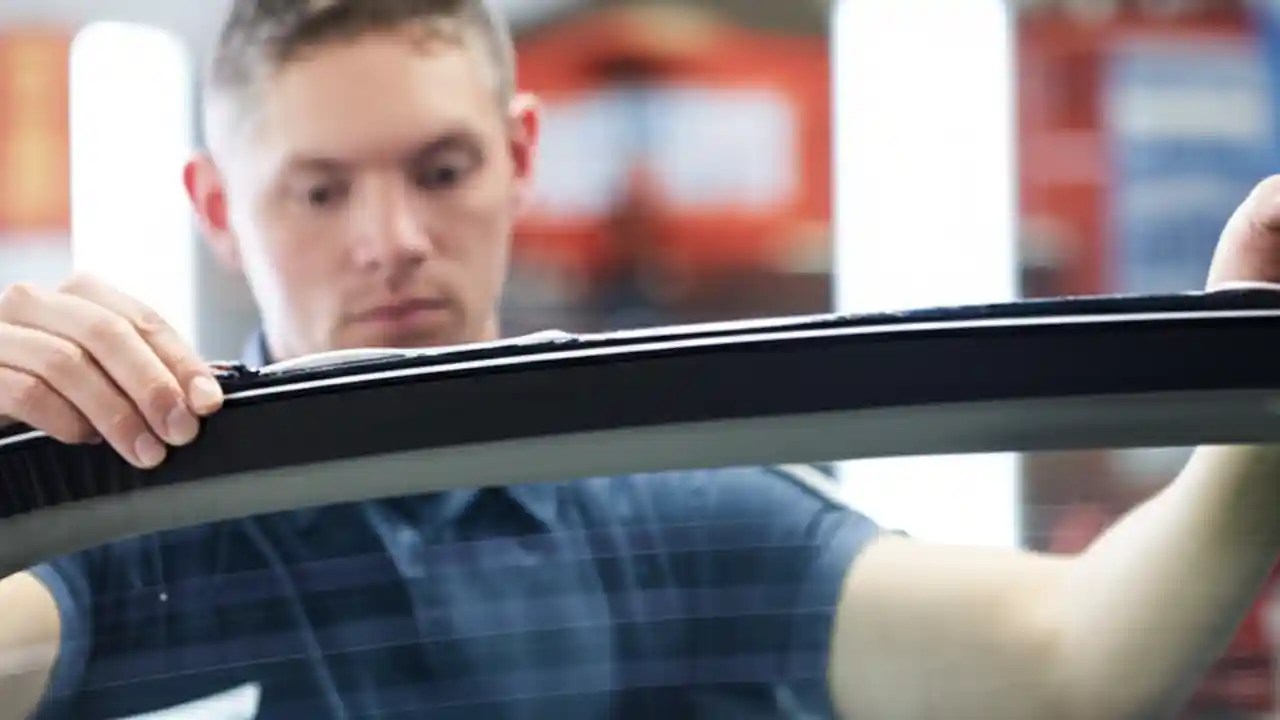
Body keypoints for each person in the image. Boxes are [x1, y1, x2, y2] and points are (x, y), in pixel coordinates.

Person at [1, 1, 1280, 718]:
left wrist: (1251, 366)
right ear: (218, 207)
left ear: (519, 155)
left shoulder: (665, 502)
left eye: (439, 172)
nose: (389, 241)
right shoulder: (138, 519)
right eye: (318, 191)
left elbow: (1062, 664)